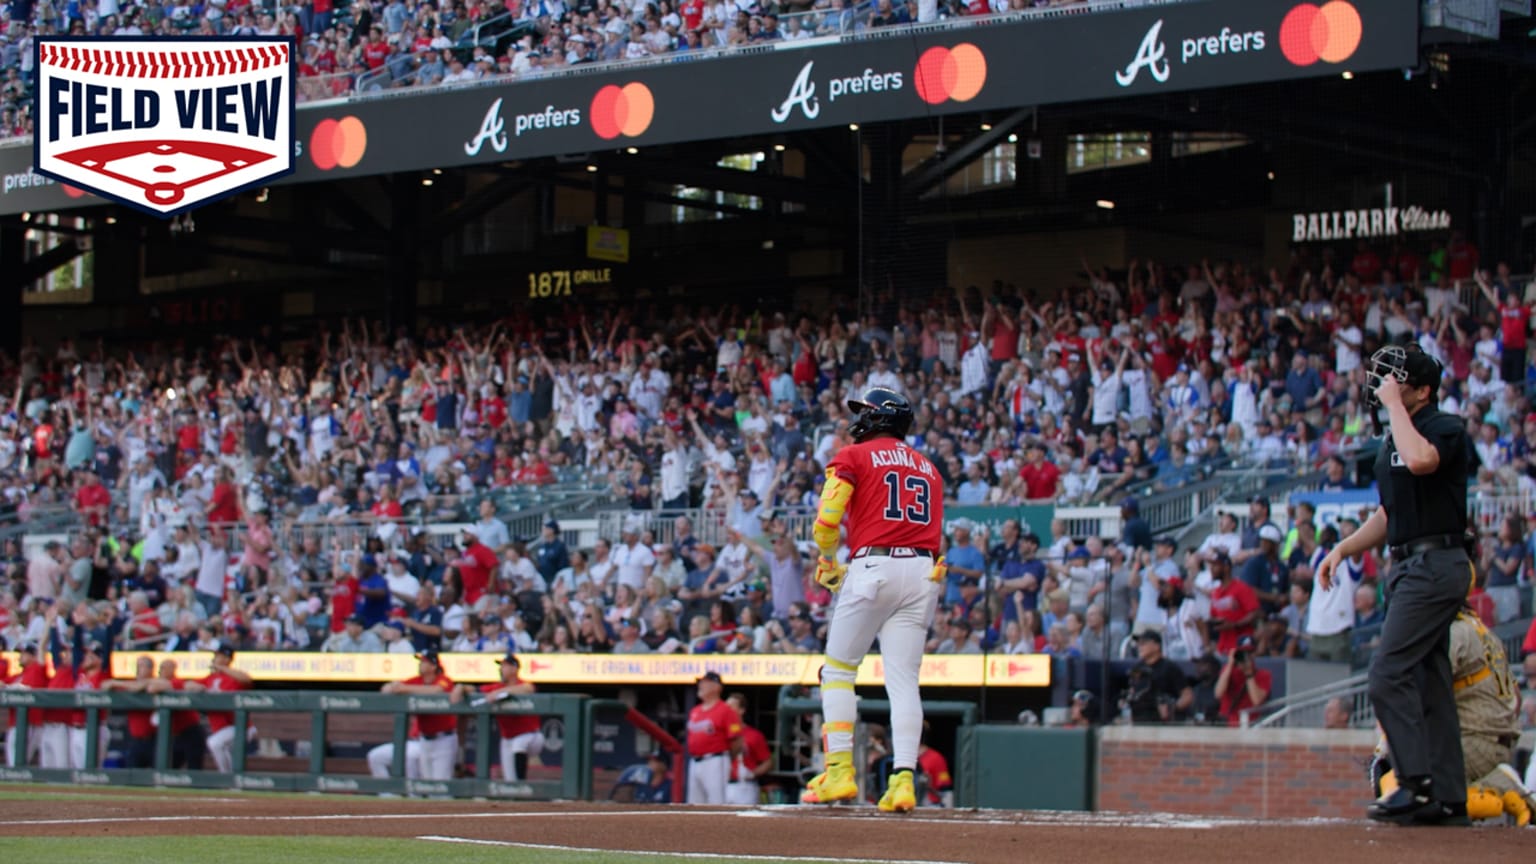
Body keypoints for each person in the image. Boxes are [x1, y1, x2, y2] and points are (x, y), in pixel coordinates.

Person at [1317, 343, 1475, 826]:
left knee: (1387, 672)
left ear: (1423, 391)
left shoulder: (1443, 428)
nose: (1384, 385)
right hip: (1408, 564)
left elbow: (1424, 460)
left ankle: (1414, 782)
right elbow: (1390, 513)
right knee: (1429, 679)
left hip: (1436, 561)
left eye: (1396, 379)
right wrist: (1344, 548)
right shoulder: (1393, 439)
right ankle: (1448, 797)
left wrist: (1393, 410)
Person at [801, 387, 943, 814]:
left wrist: (828, 558)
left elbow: (827, 521)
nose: (858, 418)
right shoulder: (930, 468)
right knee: (903, 681)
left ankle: (840, 771)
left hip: (874, 566)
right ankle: (903, 779)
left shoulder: (854, 456)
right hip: (922, 571)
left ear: (880, 417)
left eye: (864, 411)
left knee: (839, 669)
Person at [1372, 609, 1536, 825]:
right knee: (1416, 790)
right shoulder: (1482, 629)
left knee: (1410, 786)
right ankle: (1490, 782)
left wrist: (1387, 746)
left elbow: (1422, 695)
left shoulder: (1451, 631)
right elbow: (1515, 697)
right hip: (1493, 741)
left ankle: (1498, 786)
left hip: (1473, 742)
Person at [368, 648, 461, 781]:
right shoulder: (416, 680)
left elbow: (437, 690)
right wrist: (394, 686)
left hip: (444, 739)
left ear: (433, 666)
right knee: (428, 784)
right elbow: (386, 689)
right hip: (424, 740)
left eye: (424, 662)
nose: (420, 664)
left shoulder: (443, 679)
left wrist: (405, 689)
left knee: (441, 785)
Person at [461, 652, 543, 783]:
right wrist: (461, 687)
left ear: (514, 669)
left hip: (531, 736)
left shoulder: (522, 684)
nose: (501, 669)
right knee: (510, 779)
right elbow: (475, 690)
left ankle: (522, 785)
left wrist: (500, 692)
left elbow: (529, 688)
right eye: (501, 666)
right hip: (508, 738)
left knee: (519, 744)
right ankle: (517, 796)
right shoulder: (496, 686)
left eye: (504, 666)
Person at [684, 670, 741, 804]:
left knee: (717, 801)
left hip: (715, 760)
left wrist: (726, 757)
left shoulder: (726, 710)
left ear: (716, 687)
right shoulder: (695, 711)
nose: (701, 685)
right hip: (694, 761)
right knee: (694, 804)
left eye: (705, 683)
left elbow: (737, 740)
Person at [200, 641, 254, 773]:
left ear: (226, 658)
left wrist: (222, 667)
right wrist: (198, 688)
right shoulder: (211, 678)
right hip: (223, 728)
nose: (214, 658)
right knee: (219, 746)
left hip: (241, 727)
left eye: (217, 655)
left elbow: (246, 679)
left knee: (215, 743)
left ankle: (228, 778)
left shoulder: (233, 677)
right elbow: (189, 685)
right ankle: (231, 778)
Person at [724, 692, 771, 805]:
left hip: (745, 785)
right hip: (723, 784)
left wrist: (752, 773)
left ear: (741, 710)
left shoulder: (754, 735)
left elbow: (767, 762)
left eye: (731, 706)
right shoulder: (720, 734)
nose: (727, 710)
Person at [1214, 636, 1271, 726]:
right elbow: (1218, 693)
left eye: (1249, 653)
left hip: (1250, 724)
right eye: (1243, 653)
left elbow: (1256, 701)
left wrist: (1249, 674)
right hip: (1228, 723)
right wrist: (1230, 664)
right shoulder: (1229, 671)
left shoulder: (1263, 674)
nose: (1246, 656)